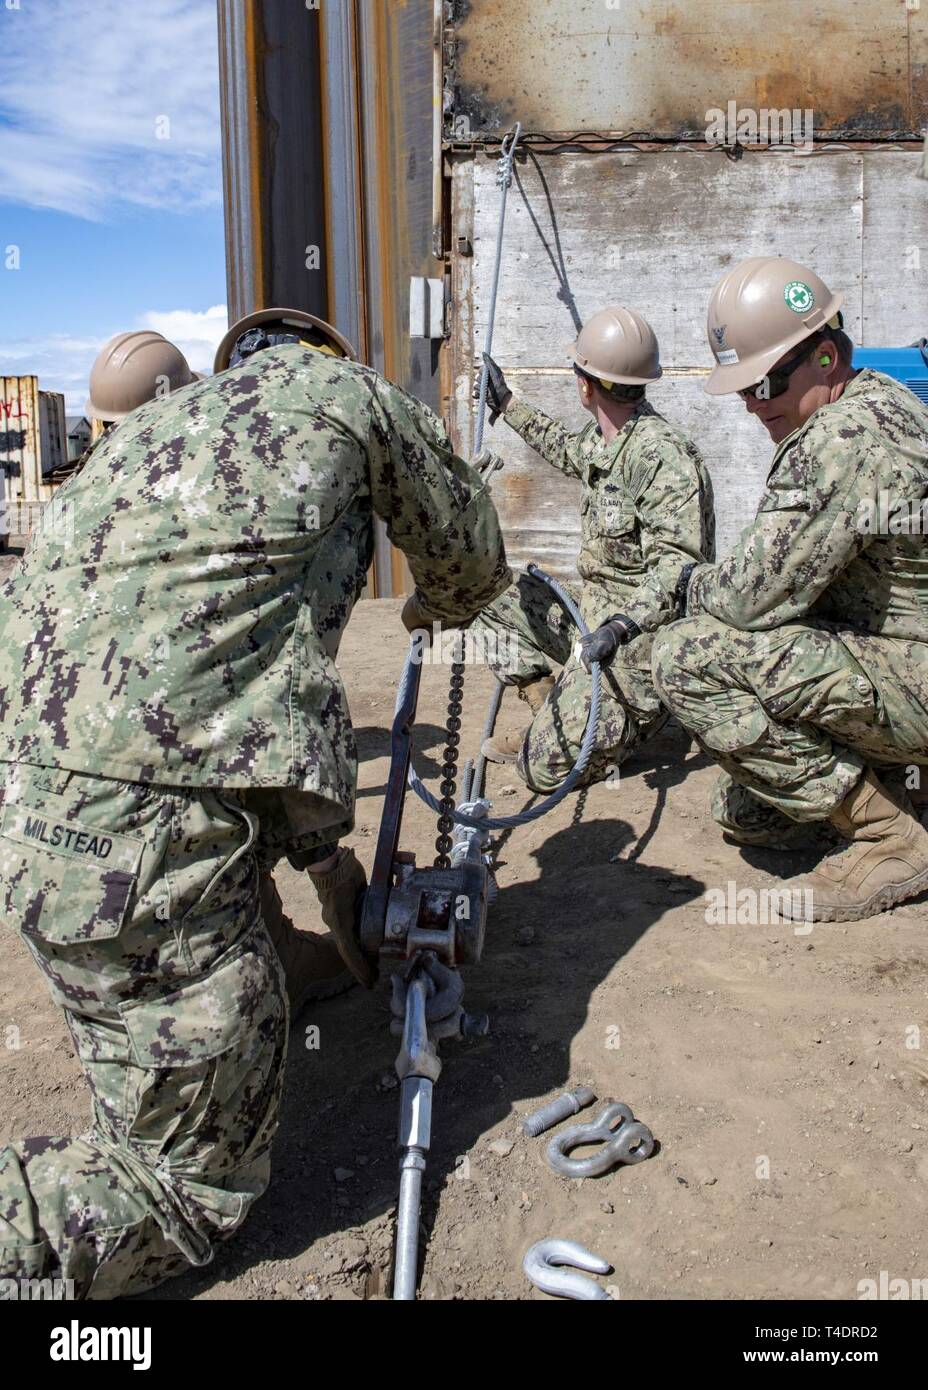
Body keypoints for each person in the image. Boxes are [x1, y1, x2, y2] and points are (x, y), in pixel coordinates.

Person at [0, 306, 510, 1297]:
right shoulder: (353, 397)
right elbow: (471, 561)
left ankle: (268, 963)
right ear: (328, 360)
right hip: (139, 849)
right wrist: (431, 604)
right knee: (182, 1189)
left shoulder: (139, 444)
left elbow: (237, 703)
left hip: (34, 817)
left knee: (217, 800)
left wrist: (327, 874)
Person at [600, 257, 928, 923]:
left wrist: (687, 587)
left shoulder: (843, 438)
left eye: (767, 383)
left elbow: (752, 598)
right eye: (744, 390)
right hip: (896, 657)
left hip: (912, 674)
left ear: (827, 357)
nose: (754, 406)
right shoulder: (881, 397)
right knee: (747, 812)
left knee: (686, 659)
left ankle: (891, 840)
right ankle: (894, 786)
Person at [474, 306, 714, 791]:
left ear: (585, 384)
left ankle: (629, 720)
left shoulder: (662, 458)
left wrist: (620, 627)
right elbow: (565, 448)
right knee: (489, 594)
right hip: (590, 625)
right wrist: (507, 404)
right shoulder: (607, 440)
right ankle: (553, 701)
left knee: (539, 770)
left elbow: (679, 573)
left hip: (633, 649)